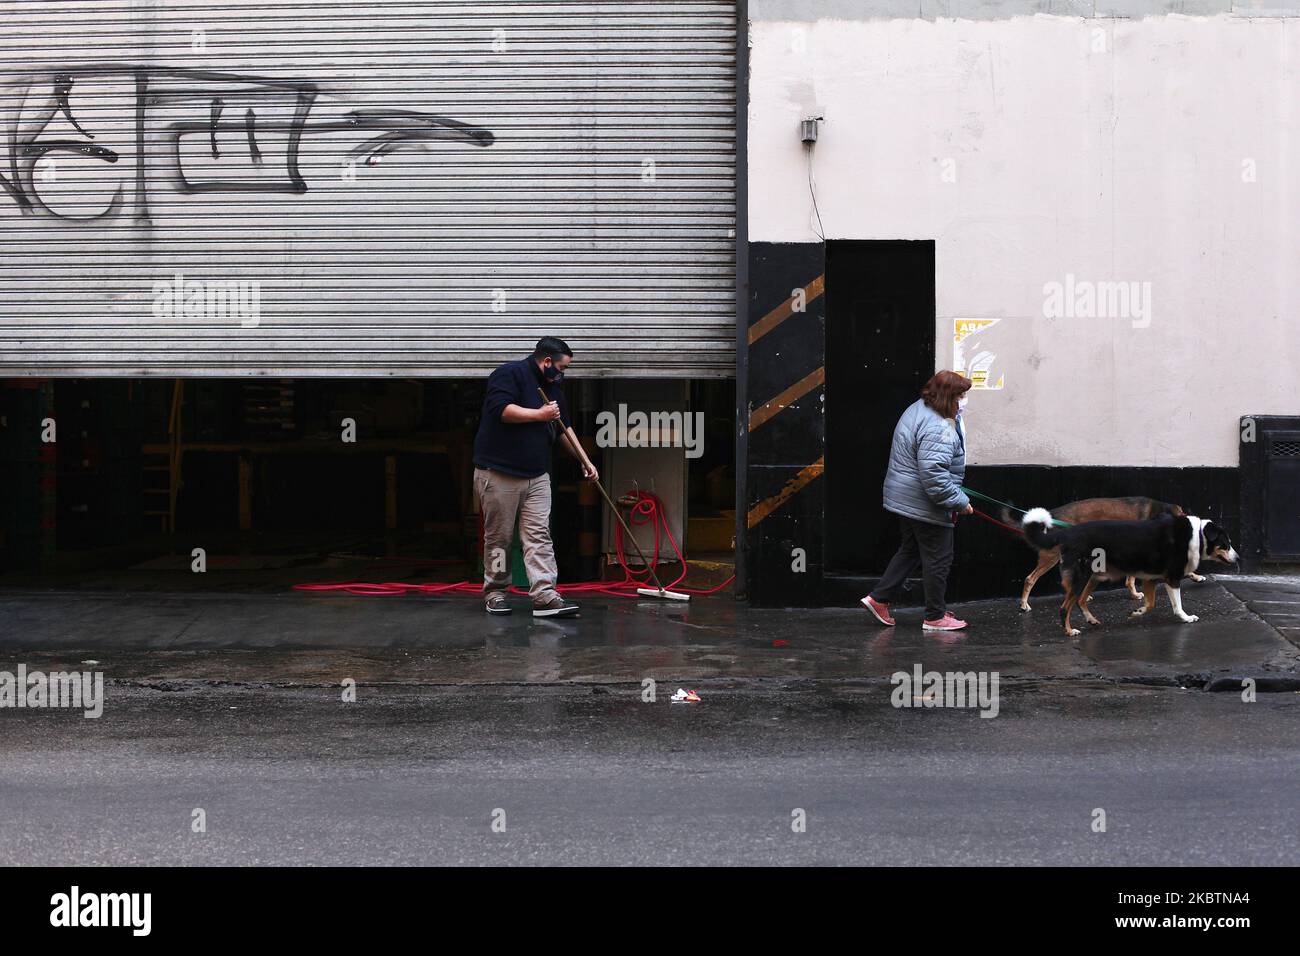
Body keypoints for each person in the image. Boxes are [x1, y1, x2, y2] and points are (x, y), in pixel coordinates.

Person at [472, 336, 598, 618]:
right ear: (547, 361)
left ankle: (545, 595)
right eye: (562, 367)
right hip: (499, 473)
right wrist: (539, 414)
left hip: (537, 475)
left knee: (539, 535)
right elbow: (502, 411)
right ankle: (495, 592)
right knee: (499, 538)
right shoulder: (509, 374)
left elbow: (564, 428)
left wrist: (585, 461)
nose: (564, 373)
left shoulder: (554, 387)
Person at [861, 370, 973, 631]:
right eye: (961, 395)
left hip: (907, 497)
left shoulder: (919, 408)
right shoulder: (939, 425)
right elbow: (934, 474)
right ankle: (935, 616)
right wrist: (960, 501)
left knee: (911, 550)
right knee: (939, 557)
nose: (964, 400)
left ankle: (879, 599)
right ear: (948, 396)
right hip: (924, 502)